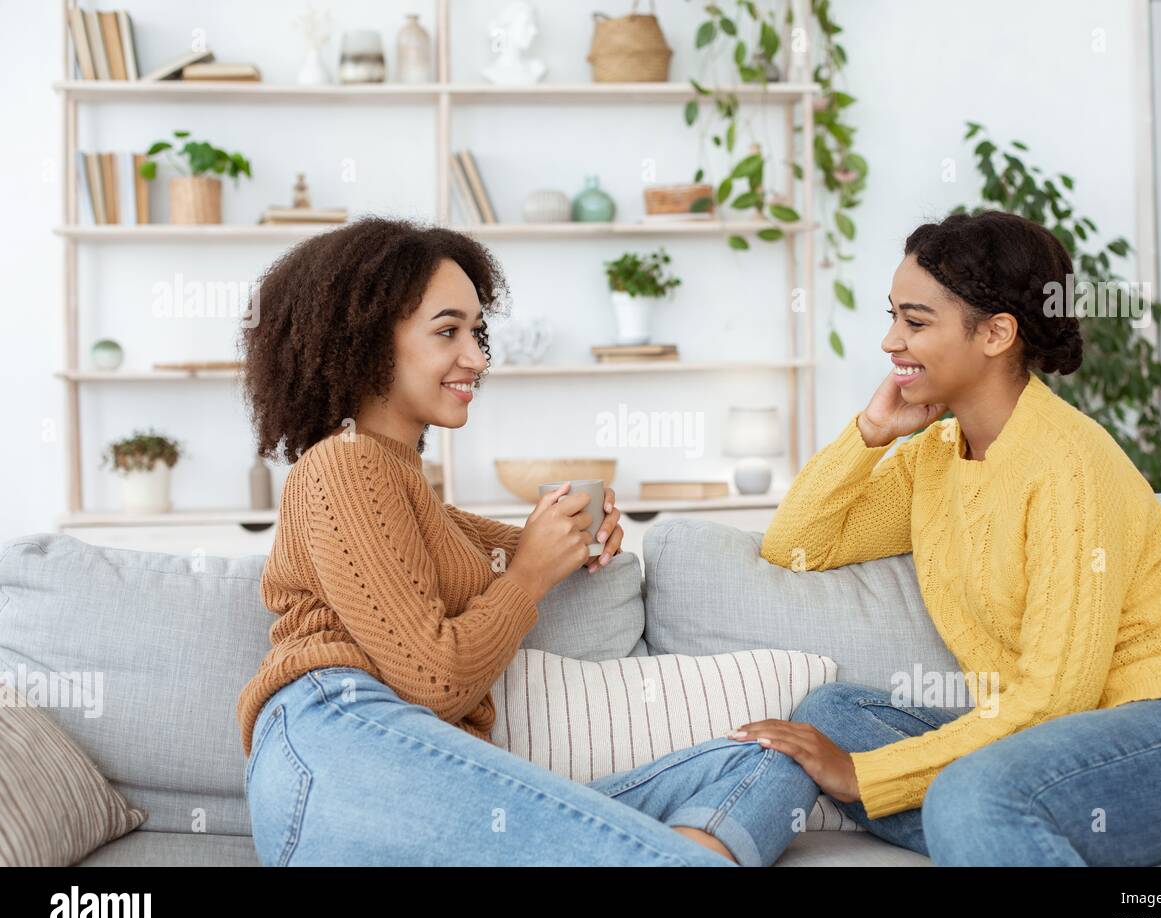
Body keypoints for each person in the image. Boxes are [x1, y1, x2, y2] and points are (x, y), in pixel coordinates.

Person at [234, 216, 819, 866]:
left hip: (413, 762)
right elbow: (435, 678)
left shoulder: (414, 495)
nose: (478, 358)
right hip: (340, 738)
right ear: (368, 341)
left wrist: (576, 538)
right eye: (448, 331)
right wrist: (533, 573)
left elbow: (509, 553)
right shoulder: (341, 465)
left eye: (477, 333)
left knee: (779, 756)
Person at [743, 210, 1161, 866]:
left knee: (966, 793)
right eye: (893, 317)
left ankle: (977, 819)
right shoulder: (934, 454)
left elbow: (1058, 696)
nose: (890, 342)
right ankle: (998, 833)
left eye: (915, 322)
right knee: (833, 713)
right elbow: (798, 547)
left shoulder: (1069, 462)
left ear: (997, 333)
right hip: (1052, 746)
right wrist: (870, 432)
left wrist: (867, 779)